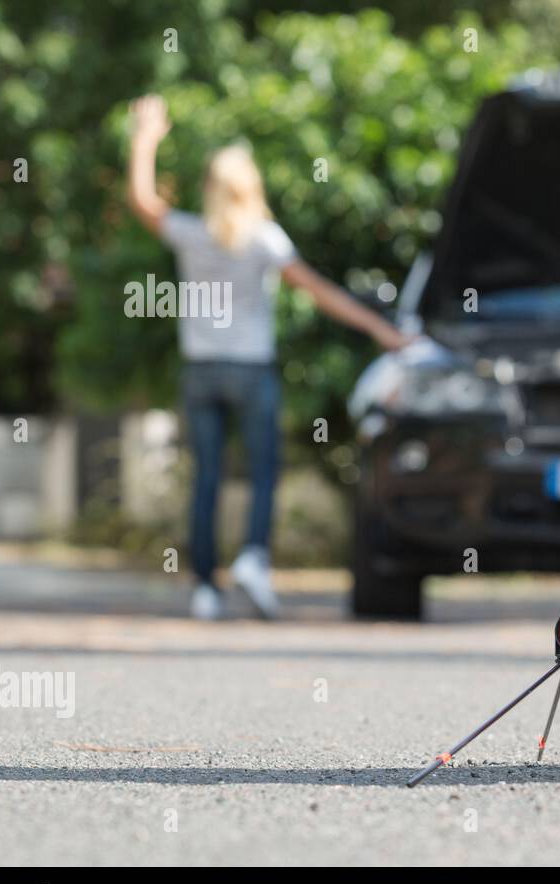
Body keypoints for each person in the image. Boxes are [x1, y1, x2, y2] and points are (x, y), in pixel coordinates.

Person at [125, 94, 409, 620]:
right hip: (251, 371)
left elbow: (142, 199)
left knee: (207, 477)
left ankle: (206, 589)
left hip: (201, 371)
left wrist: (146, 135)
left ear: (210, 189)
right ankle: (253, 559)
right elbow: (320, 291)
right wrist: (379, 329)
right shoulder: (264, 239)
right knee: (261, 472)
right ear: (251, 188)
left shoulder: (191, 234)